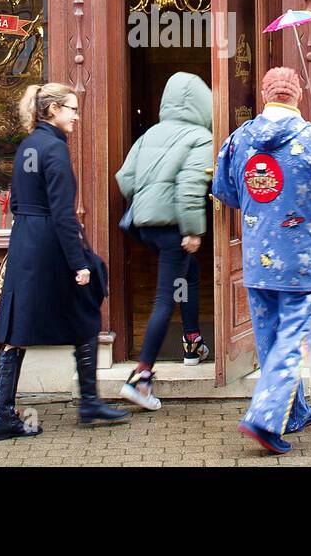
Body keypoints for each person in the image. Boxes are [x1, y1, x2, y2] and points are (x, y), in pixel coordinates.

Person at [211, 67, 311, 455]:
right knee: (291, 341)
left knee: (270, 339)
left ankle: (296, 411)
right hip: (303, 263)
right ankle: (264, 418)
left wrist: (260, 206)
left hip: (258, 259)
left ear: (264, 95)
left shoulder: (239, 139)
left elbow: (223, 191)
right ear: (296, 95)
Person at [0, 82, 128, 440]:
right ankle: (84, 403)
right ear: (53, 110)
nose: (76, 117)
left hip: (26, 241)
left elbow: (17, 201)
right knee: (90, 288)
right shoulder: (54, 150)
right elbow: (64, 214)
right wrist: (77, 262)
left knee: (21, 326)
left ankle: (14, 413)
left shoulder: (28, 146)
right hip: (50, 243)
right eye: (72, 109)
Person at [114, 72, 214, 410]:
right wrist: (193, 230)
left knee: (189, 277)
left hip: (146, 227)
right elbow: (190, 188)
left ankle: (192, 340)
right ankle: (141, 378)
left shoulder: (149, 135)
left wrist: (149, 195)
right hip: (175, 228)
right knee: (163, 299)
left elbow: (125, 179)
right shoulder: (201, 137)